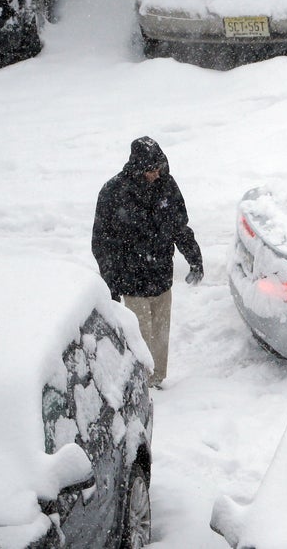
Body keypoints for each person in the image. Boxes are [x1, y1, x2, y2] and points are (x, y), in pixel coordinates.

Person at [92, 137, 202, 388]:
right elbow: (102, 244)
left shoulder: (167, 185)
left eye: (159, 168)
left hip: (162, 277)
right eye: (150, 170)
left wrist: (194, 258)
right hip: (133, 283)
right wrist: (112, 285)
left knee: (160, 336)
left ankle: (157, 380)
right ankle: (140, 386)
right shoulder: (113, 193)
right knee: (139, 339)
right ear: (137, 167)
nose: (156, 174)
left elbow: (179, 227)